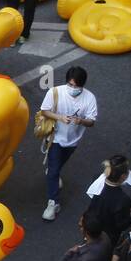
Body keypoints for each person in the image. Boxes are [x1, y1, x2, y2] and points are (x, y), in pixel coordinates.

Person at [38, 67, 97, 221]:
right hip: (55, 138)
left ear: (82, 86)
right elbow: (44, 111)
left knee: (59, 164)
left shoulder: (89, 98)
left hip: (73, 140)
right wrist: (59, 117)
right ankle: (53, 202)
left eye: (76, 86)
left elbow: (91, 121)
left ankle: (54, 172)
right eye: (70, 85)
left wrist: (81, 121)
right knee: (53, 170)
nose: (72, 89)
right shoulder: (55, 92)